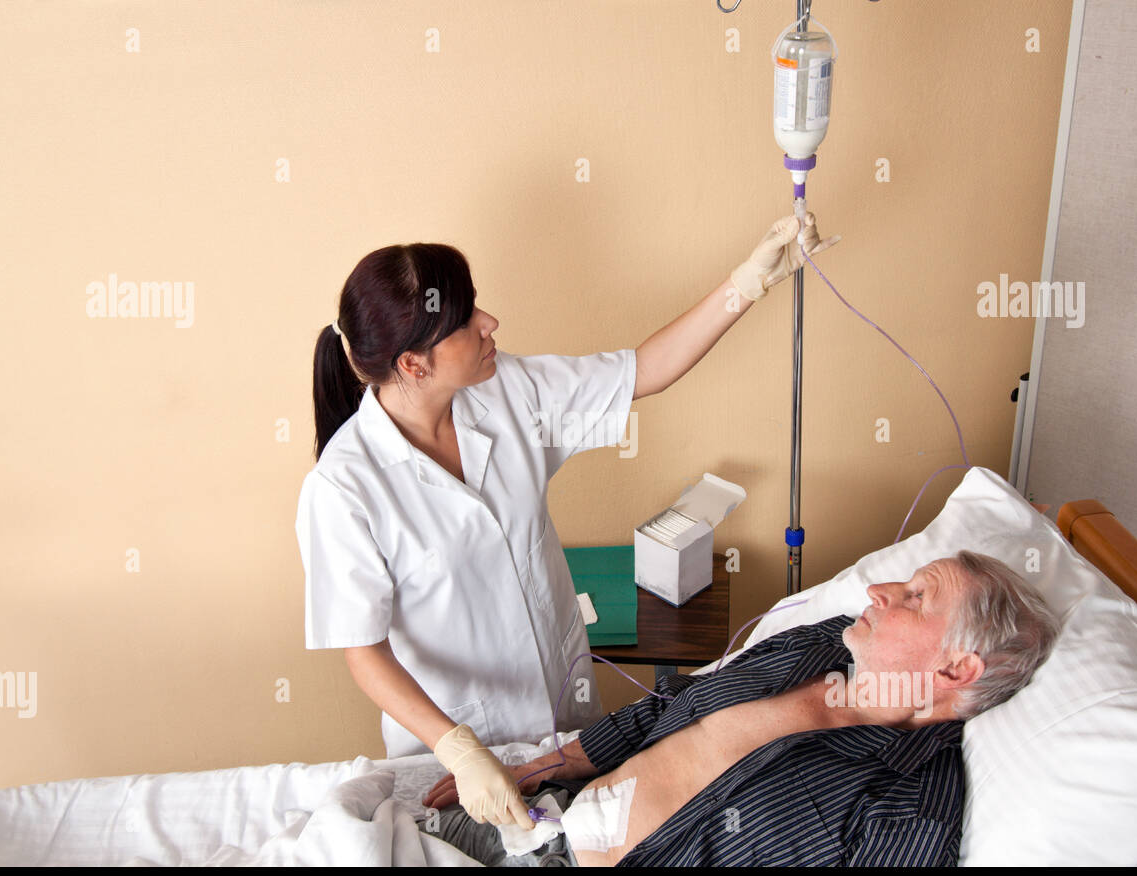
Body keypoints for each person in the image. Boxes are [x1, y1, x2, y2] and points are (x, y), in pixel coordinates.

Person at [296, 212, 841, 830]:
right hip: (456, 756)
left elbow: (642, 371)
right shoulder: (343, 488)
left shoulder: (506, 391)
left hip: (566, 719)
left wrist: (746, 284)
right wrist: (459, 750)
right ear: (414, 364)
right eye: (467, 318)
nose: (489, 322)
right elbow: (364, 650)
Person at [423, 550, 1061, 864]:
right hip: (544, 818)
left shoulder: (910, 806)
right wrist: (534, 769)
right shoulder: (822, 645)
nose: (881, 589)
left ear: (956, 670)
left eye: (917, 598)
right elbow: (665, 709)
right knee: (389, 825)